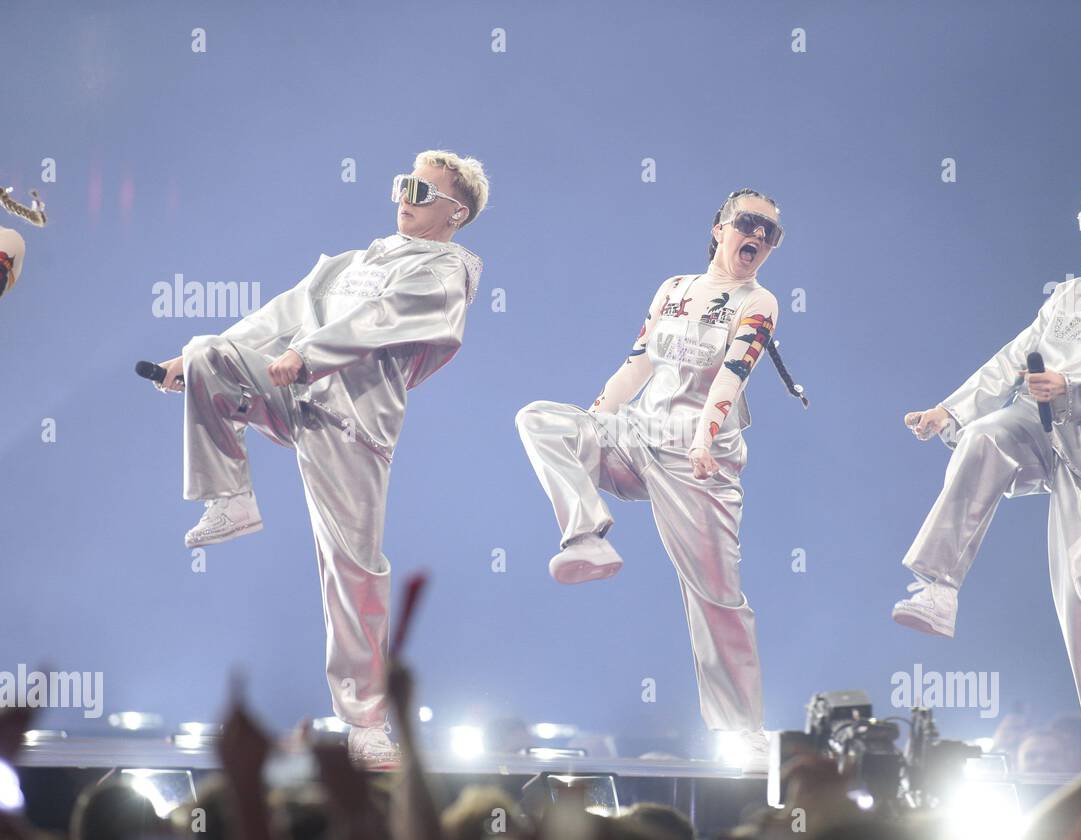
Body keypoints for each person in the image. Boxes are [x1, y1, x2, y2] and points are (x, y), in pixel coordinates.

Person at [153, 150, 488, 765]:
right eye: (402, 182)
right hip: (295, 391)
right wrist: (192, 362)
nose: (404, 194)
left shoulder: (445, 272)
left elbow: (382, 320)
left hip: (352, 418)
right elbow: (278, 313)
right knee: (208, 352)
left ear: (454, 211)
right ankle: (231, 499)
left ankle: (366, 722)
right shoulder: (350, 262)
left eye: (420, 187)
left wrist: (308, 353)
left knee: (351, 565)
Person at [892, 170, 1081, 760]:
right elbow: (1012, 357)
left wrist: (1071, 383)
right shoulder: (1069, 294)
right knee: (985, 436)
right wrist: (948, 410)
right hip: (1038, 425)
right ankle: (939, 587)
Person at [515, 188, 805, 773]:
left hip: (700, 461)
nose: (759, 237)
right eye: (749, 224)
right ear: (720, 226)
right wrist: (597, 415)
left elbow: (734, 375)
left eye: (771, 233)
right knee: (541, 419)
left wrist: (703, 438)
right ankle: (586, 538)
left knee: (716, 596)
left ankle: (742, 730)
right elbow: (639, 361)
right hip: (638, 437)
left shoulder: (761, 301)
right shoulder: (673, 290)